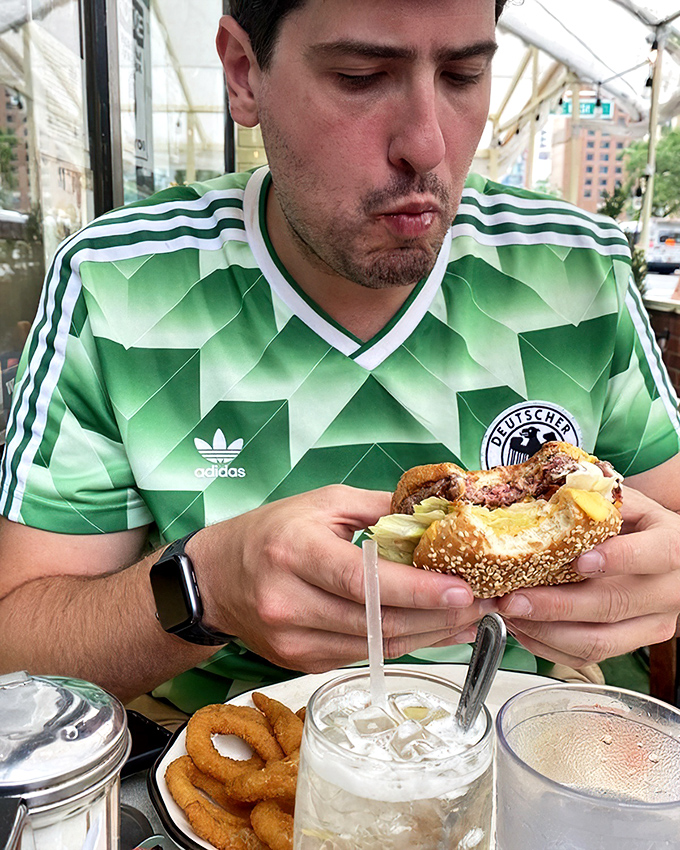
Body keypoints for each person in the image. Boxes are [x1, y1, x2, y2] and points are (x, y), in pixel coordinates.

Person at [1, 0, 679, 718]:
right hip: (223, 764)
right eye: (360, 76)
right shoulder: (122, 282)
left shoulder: (575, 268)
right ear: (243, 74)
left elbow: (668, 517)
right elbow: (19, 649)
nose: (427, 145)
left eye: (462, 73)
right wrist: (209, 588)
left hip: (544, 741)